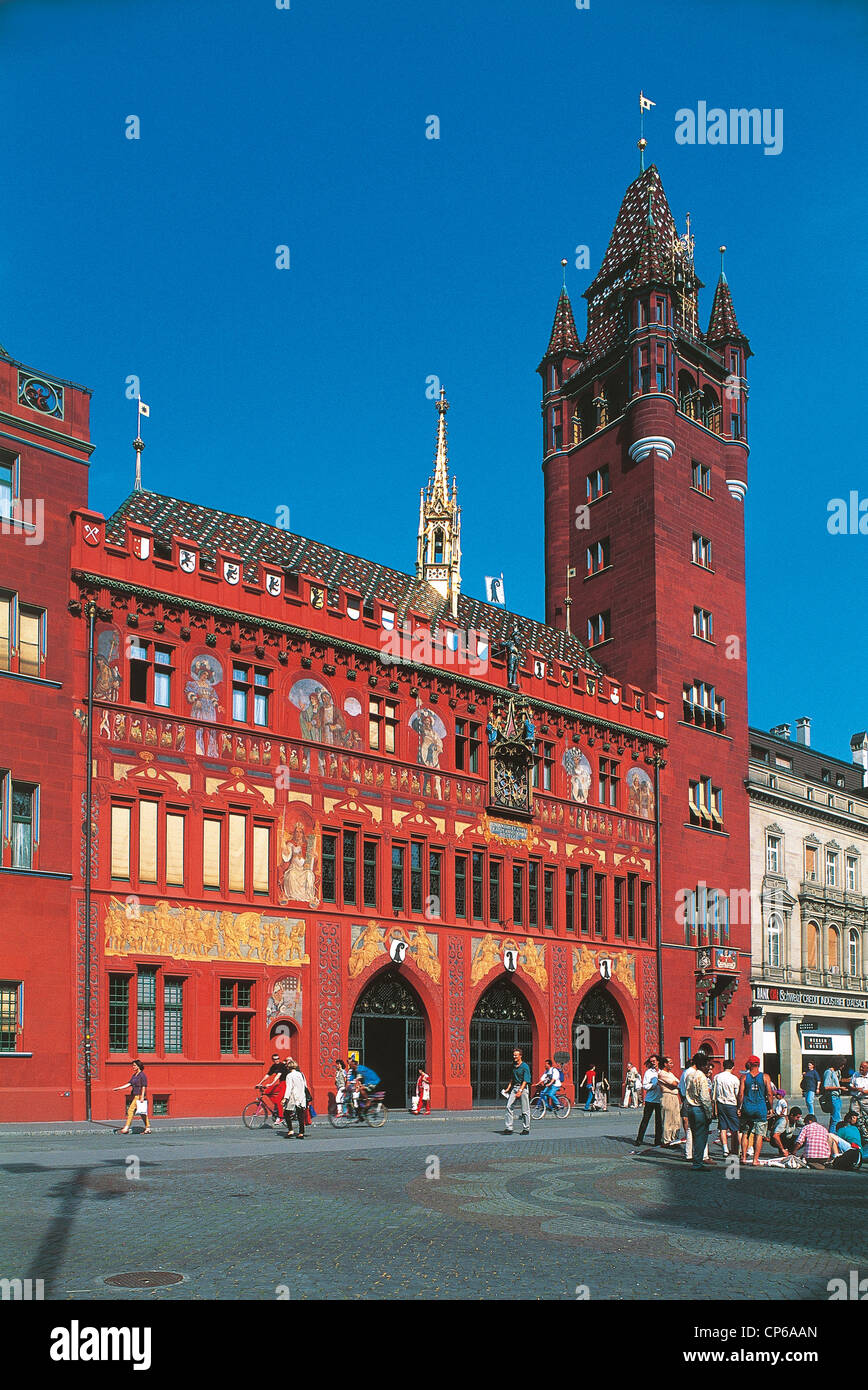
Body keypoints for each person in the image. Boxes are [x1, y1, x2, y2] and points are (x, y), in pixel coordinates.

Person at [738, 1055, 775, 1166]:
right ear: (758, 1064)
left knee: (745, 1133)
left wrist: (738, 1107)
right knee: (759, 1134)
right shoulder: (765, 1077)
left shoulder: (744, 1078)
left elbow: (740, 1094)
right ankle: (755, 1160)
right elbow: (769, 1093)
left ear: (749, 1064)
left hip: (747, 1108)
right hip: (760, 1108)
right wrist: (771, 1108)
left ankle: (743, 1157)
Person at [685, 1053, 714, 1171]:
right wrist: (709, 1113)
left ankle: (696, 1161)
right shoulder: (702, 1077)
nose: (708, 1068)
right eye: (707, 1065)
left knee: (695, 1135)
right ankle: (698, 1162)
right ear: (702, 1065)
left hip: (690, 1107)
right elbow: (705, 1098)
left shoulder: (689, 1075)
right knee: (701, 1137)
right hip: (700, 1109)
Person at [712, 1058, 740, 1157]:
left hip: (720, 1104)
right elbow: (737, 1094)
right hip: (732, 1104)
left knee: (722, 1127)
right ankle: (735, 1149)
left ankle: (725, 1149)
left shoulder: (717, 1077)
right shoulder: (734, 1079)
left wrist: (714, 1107)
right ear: (733, 1067)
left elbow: (713, 1093)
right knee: (735, 1128)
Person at [115, 1059, 151, 1135]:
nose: (133, 1067)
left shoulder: (142, 1075)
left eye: (134, 1065)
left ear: (138, 1066)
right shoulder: (134, 1075)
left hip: (139, 1096)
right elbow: (129, 1083)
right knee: (142, 1113)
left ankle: (126, 1128)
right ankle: (147, 1128)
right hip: (135, 1095)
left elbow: (144, 1086)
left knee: (130, 1111)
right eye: (133, 1065)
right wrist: (120, 1088)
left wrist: (142, 1097)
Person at [635, 1055, 663, 1146]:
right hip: (650, 1100)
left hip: (660, 1100)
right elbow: (645, 1086)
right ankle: (639, 1139)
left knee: (659, 1122)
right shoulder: (648, 1072)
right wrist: (654, 1084)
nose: (653, 1063)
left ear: (658, 1061)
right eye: (651, 1061)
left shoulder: (662, 1072)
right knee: (645, 1120)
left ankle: (657, 1141)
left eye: (654, 1061)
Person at [502, 1047, 531, 1135]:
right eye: (514, 1055)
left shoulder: (525, 1066)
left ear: (520, 1056)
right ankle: (509, 1127)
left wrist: (520, 1091)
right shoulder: (513, 1066)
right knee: (509, 1107)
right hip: (515, 1088)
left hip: (523, 1088)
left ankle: (526, 1128)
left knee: (525, 1109)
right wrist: (508, 1088)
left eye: (516, 1055)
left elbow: (526, 1080)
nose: (514, 1057)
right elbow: (512, 1078)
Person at [257, 1053, 288, 1127]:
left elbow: (278, 1076)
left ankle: (280, 1117)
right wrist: (260, 1083)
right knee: (267, 1091)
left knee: (278, 1100)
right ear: (272, 1060)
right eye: (275, 1059)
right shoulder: (274, 1066)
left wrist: (271, 1084)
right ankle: (277, 1107)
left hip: (286, 1084)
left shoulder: (282, 1065)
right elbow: (268, 1075)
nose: (276, 1060)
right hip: (281, 1084)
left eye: (277, 1059)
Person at [657, 1056, 682, 1146]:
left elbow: (679, 1083)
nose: (672, 1064)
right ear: (665, 1064)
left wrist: (677, 1085)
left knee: (676, 1119)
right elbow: (675, 1084)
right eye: (670, 1063)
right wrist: (676, 1085)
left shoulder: (670, 1074)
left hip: (675, 1096)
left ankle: (674, 1138)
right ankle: (667, 1140)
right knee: (668, 1119)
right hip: (667, 1096)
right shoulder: (662, 1073)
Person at [282, 1059, 307, 1139]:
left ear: (289, 1067)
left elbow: (289, 1088)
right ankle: (301, 1132)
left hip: (293, 1097)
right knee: (300, 1115)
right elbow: (305, 1085)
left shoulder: (289, 1076)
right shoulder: (301, 1074)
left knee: (286, 1113)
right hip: (301, 1096)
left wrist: (285, 1098)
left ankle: (290, 1130)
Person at [822, 1059, 843, 1130]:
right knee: (836, 1119)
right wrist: (839, 1088)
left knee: (835, 1117)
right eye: (841, 1065)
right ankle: (832, 1134)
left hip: (837, 1096)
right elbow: (826, 1087)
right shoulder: (829, 1072)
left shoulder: (836, 1072)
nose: (842, 1066)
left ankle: (832, 1133)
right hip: (833, 1097)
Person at [768, 1089, 789, 1157]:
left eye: (777, 1094)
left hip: (781, 1117)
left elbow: (784, 1107)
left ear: (780, 1095)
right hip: (778, 1116)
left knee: (776, 1132)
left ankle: (783, 1149)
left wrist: (782, 1113)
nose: (776, 1096)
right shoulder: (779, 1101)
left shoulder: (782, 1101)